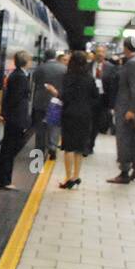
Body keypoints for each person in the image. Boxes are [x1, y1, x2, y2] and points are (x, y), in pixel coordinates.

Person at [107, 38, 135, 184]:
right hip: (129, 107)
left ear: (126, 47)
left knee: (125, 140)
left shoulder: (134, 64)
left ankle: (125, 172)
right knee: (132, 141)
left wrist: (132, 109)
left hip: (127, 108)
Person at [57, 48, 99, 190]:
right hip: (85, 116)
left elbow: (65, 97)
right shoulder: (89, 78)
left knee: (68, 146)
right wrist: (86, 106)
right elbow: (96, 98)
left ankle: (68, 178)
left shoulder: (68, 77)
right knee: (79, 148)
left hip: (69, 114)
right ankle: (76, 176)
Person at [0, 50, 33, 190]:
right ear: (25, 61)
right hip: (15, 119)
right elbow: (15, 99)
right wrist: (7, 115)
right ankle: (4, 180)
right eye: (30, 59)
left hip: (13, 117)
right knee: (9, 149)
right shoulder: (20, 77)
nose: (31, 62)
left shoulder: (17, 75)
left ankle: (1, 177)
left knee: (8, 148)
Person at [31, 48, 67, 160]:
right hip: (56, 101)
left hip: (40, 102)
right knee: (54, 125)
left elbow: (34, 81)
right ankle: (52, 147)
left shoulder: (39, 68)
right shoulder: (64, 68)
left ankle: (39, 152)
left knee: (40, 127)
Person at [88, 47, 112, 155]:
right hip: (89, 99)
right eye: (98, 52)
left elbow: (113, 86)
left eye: (102, 52)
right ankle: (86, 144)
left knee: (96, 124)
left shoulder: (111, 68)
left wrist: (112, 103)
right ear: (95, 53)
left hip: (103, 100)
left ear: (105, 54)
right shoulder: (87, 66)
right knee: (87, 122)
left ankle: (91, 144)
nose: (100, 54)